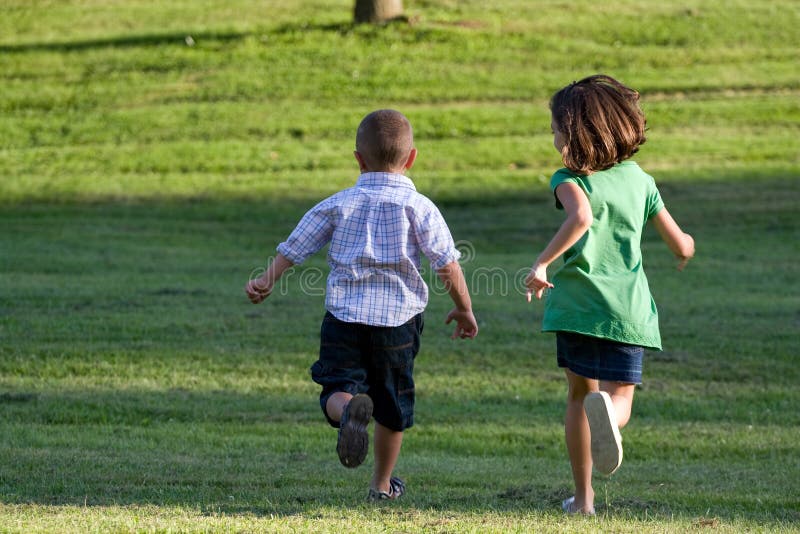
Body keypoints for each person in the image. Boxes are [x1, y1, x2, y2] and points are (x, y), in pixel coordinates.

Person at [245, 109, 478, 501]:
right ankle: (381, 485)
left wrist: (266, 279)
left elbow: (297, 245)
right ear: (412, 158)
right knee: (392, 405)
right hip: (398, 322)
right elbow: (445, 262)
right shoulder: (420, 207)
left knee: (336, 386)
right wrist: (464, 308)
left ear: (358, 158)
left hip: (344, 318)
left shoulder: (340, 203)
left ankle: (349, 408)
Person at [524, 75, 695, 515]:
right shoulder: (640, 180)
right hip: (627, 312)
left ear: (577, 133)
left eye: (557, 128)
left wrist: (542, 263)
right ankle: (613, 422)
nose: (553, 136)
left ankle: (583, 500)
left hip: (577, 307)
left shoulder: (568, 179)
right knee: (619, 397)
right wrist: (685, 251)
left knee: (578, 397)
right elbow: (679, 242)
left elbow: (580, 217)